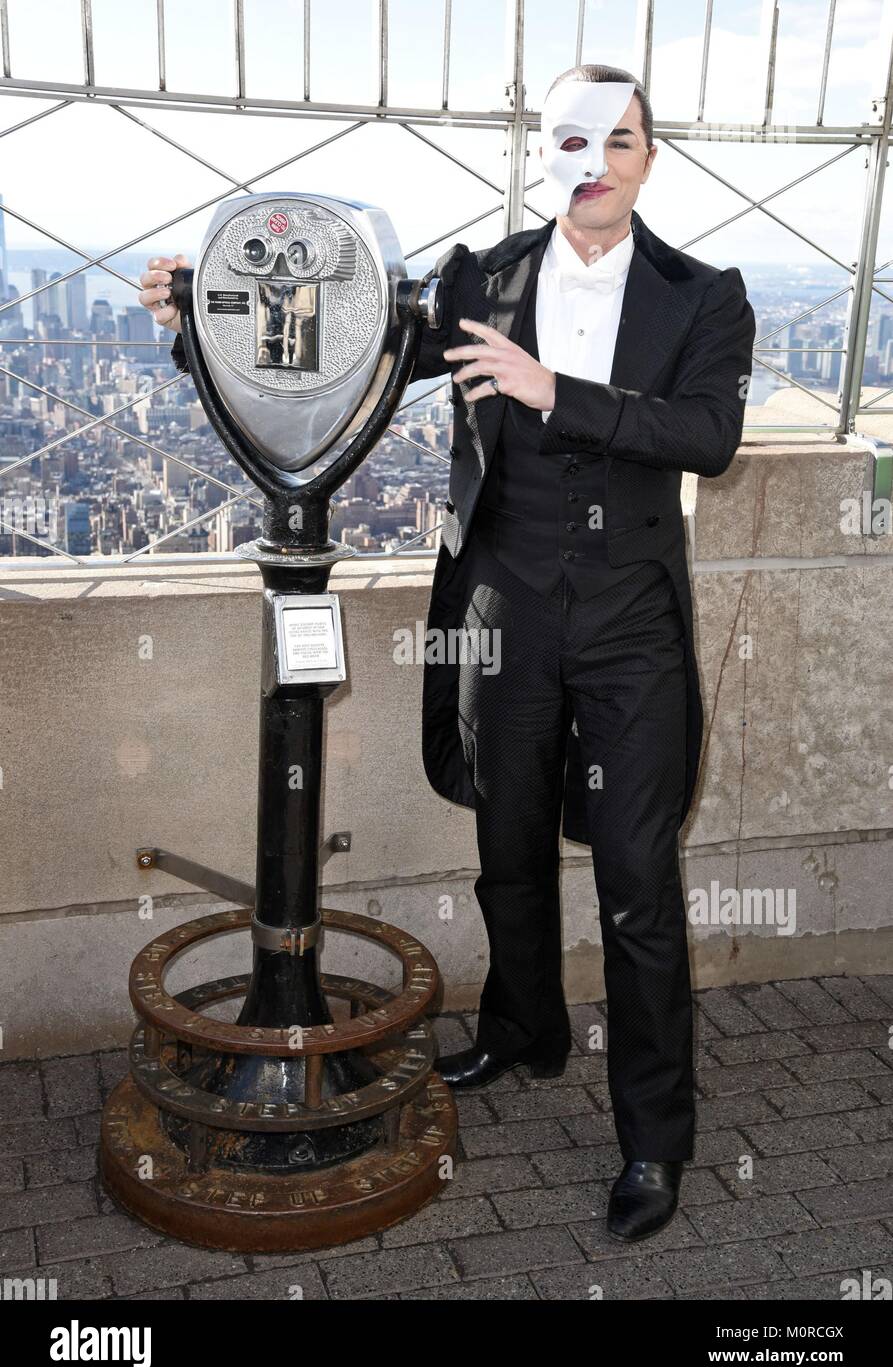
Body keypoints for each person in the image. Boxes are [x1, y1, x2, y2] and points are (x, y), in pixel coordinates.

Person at [137, 62, 756, 1244]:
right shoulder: (481, 276)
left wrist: (550, 388)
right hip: (501, 608)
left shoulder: (702, 294)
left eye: (618, 141)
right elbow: (347, 352)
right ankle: (523, 1030)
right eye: (573, 139)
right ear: (547, 153)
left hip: (629, 624)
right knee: (506, 844)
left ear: (645, 159)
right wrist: (199, 314)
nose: (594, 161)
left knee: (636, 888)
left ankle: (652, 1143)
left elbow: (709, 436)